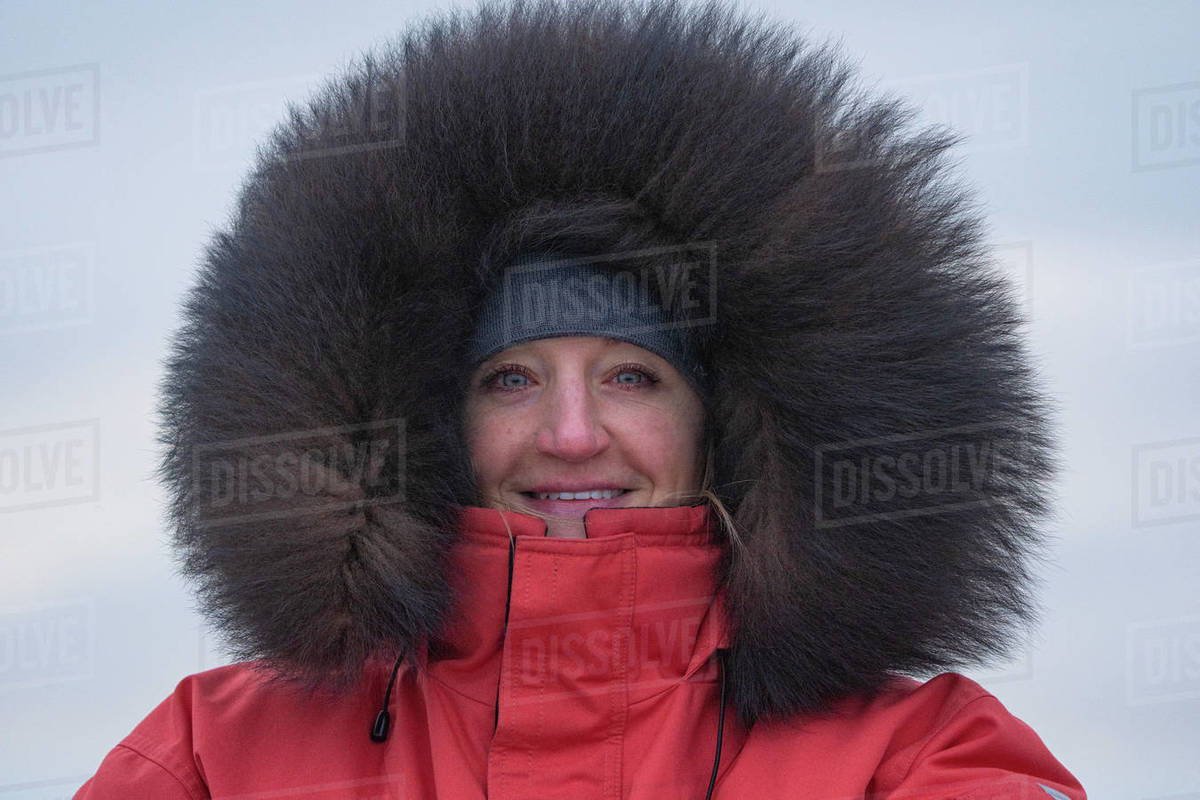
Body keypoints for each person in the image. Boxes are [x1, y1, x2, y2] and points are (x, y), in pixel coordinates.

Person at [75, 0, 1087, 797]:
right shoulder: (213, 755)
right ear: (431, 425)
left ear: (726, 424)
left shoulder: (915, 756)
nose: (569, 434)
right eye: (510, 379)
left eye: (631, 377)